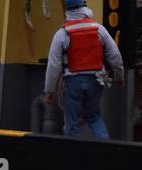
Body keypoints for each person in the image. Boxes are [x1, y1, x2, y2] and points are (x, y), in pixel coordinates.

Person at [44, 1, 125, 140]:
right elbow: (115, 56)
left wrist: (49, 91)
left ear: (67, 10)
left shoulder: (62, 33)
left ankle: (74, 156)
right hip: (98, 78)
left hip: (73, 81)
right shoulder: (99, 29)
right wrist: (119, 78)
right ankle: (104, 150)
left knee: (71, 122)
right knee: (94, 116)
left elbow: (54, 65)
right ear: (85, 6)